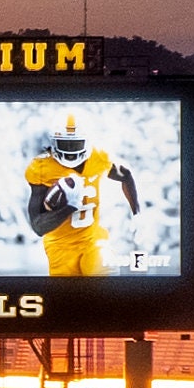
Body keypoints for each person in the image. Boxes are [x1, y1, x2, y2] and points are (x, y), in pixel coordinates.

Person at [22, 113, 142, 276]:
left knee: (106, 279)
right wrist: (70, 207)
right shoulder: (41, 168)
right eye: (65, 144)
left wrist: (137, 214)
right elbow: (38, 227)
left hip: (93, 240)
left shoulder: (98, 157)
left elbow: (126, 175)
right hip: (60, 247)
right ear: (54, 142)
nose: (70, 151)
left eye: (75, 144)